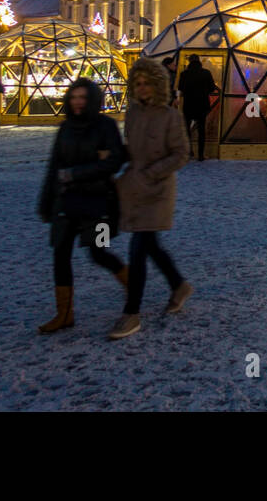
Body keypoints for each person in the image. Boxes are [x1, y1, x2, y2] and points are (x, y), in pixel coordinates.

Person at [36, 78, 128, 334]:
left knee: (99, 252)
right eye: (74, 97)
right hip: (66, 204)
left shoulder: (106, 126)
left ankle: (133, 287)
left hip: (100, 205)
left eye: (83, 98)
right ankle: (64, 314)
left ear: (93, 100)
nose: (78, 102)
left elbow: (114, 161)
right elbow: (54, 167)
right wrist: (46, 202)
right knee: (60, 255)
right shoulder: (65, 128)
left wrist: (76, 173)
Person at [109, 59, 193, 339]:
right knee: (151, 246)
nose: (142, 88)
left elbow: (181, 154)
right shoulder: (132, 113)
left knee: (138, 248)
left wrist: (152, 173)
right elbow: (131, 148)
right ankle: (178, 285)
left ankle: (131, 313)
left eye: (147, 83)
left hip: (157, 192)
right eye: (138, 83)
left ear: (158, 84)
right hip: (134, 189)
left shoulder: (171, 116)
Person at [176, 54, 217, 161]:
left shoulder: (184, 74)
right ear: (199, 61)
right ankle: (201, 155)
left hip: (188, 105)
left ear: (189, 61)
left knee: (187, 129)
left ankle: (189, 153)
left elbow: (181, 88)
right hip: (202, 104)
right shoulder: (206, 73)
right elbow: (212, 88)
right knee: (201, 130)